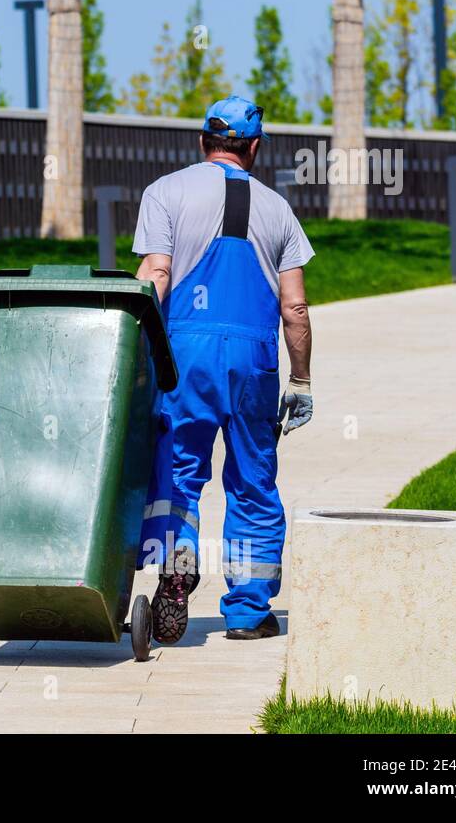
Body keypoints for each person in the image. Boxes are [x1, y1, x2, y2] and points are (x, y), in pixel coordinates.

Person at [133, 94, 314, 643]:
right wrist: (300, 379)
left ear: (202, 142)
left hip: (182, 356)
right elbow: (295, 310)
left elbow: (156, 275)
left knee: (177, 474)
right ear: (255, 147)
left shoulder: (164, 192)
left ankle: (174, 568)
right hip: (252, 362)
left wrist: (135, 351)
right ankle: (246, 610)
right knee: (253, 481)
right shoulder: (279, 210)